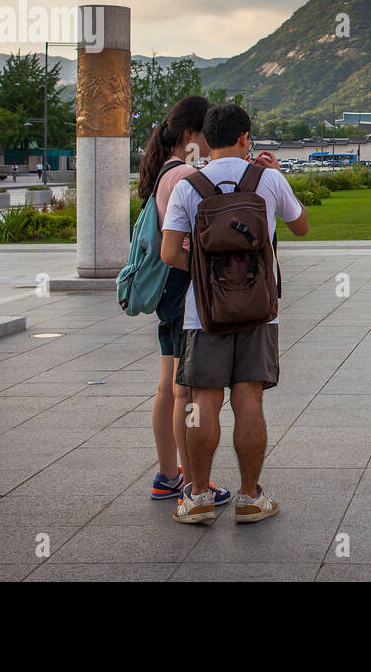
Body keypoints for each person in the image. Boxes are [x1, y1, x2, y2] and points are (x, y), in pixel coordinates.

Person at [161, 104, 309, 525]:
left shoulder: (189, 186)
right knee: (249, 400)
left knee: (202, 403)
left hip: (202, 314)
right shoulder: (269, 179)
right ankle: (248, 497)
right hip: (260, 311)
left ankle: (199, 496)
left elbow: (169, 252)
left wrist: (209, 277)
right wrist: (277, 173)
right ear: (246, 137)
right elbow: (301, 227)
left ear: (206, 141)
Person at [137, 95, 229, 505]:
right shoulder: (186, 175)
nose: (210, 141)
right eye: (206, 132)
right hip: (183, 289)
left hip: (167, 291)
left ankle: (168, 474)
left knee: (167, 387)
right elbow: (202, 236)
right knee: (185, 392)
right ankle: (195, 482)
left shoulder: (165, 171)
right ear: (191, 134)